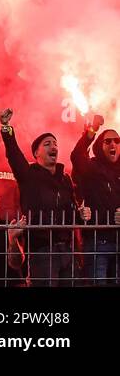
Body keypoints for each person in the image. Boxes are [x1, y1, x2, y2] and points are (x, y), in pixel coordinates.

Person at [0, 108, 77, 286]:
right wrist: (6, 128)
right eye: (47, 143)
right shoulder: (28, 175)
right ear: (36, 154)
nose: (53, 146)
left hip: (66, 250)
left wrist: (82, 213)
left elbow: (72, 211)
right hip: (42, 251)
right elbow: (13, 154)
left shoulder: (65, 179)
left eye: (55, 143)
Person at [71, 115, 120, 284]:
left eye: (116, 140)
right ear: (99, 146)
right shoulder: (91, 167)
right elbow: (76, 156)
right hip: (98, 243)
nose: (113, 144)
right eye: (108, 141)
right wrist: (91, 131)